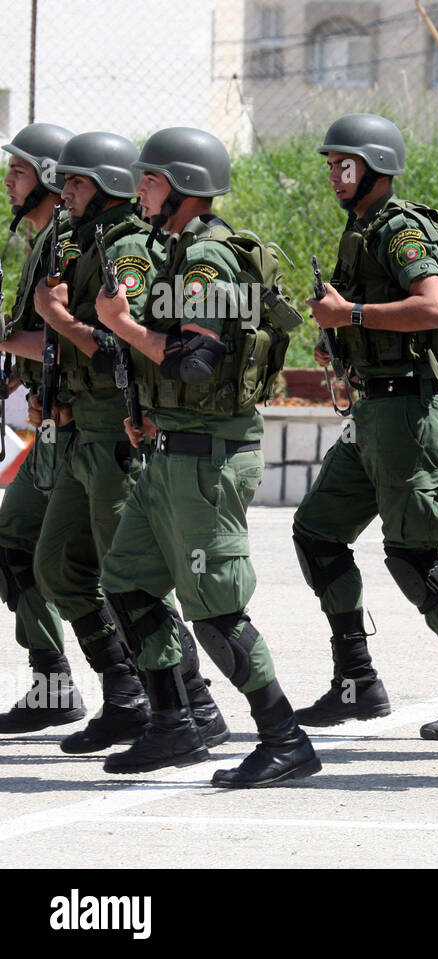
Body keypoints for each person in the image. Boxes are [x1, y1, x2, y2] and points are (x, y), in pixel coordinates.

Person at [94, 126, 318, 786]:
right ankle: (172, 725)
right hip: (173, 450)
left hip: (209, 459)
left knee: (216, 606)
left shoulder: (207, 262)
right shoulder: (179, 252)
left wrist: (121, 324)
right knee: (128, 583)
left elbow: (196, 361)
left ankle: (285, 736)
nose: (140, 190)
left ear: (188, 188)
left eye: (153, 180)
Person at [291, 114, 438, 740]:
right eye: (331, 164)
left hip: (408, 409)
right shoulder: (360, 229)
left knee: (412, 553)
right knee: (317, 532)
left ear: (374, 167)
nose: (336, 174)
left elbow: (434, 308)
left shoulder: (399, 228)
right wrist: (341, 337)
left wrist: (352, 312)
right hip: (374, 406)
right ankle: (356, 681)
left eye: (346, 164)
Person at [32, 131, 228, 754]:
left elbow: (121, 342)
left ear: (110, 187)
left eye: (79, 183)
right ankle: (125, 695)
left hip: (117, 430)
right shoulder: (79, 243)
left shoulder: (131, 249)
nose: (65, 193)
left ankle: (192, 706)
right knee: (58, 565)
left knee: (131, 576)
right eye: (63, 182)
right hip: (82, 427)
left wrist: (58, 319)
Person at [0, 122, 82, 733]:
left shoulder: (67, 244)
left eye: (20, 171)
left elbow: (74, 338)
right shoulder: (40, 243)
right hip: (51, 424)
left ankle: (170, 692)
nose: (9, 181)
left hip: (85, 427)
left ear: (50, 180)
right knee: (14, 544)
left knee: (106, 562)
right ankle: (52, 683)